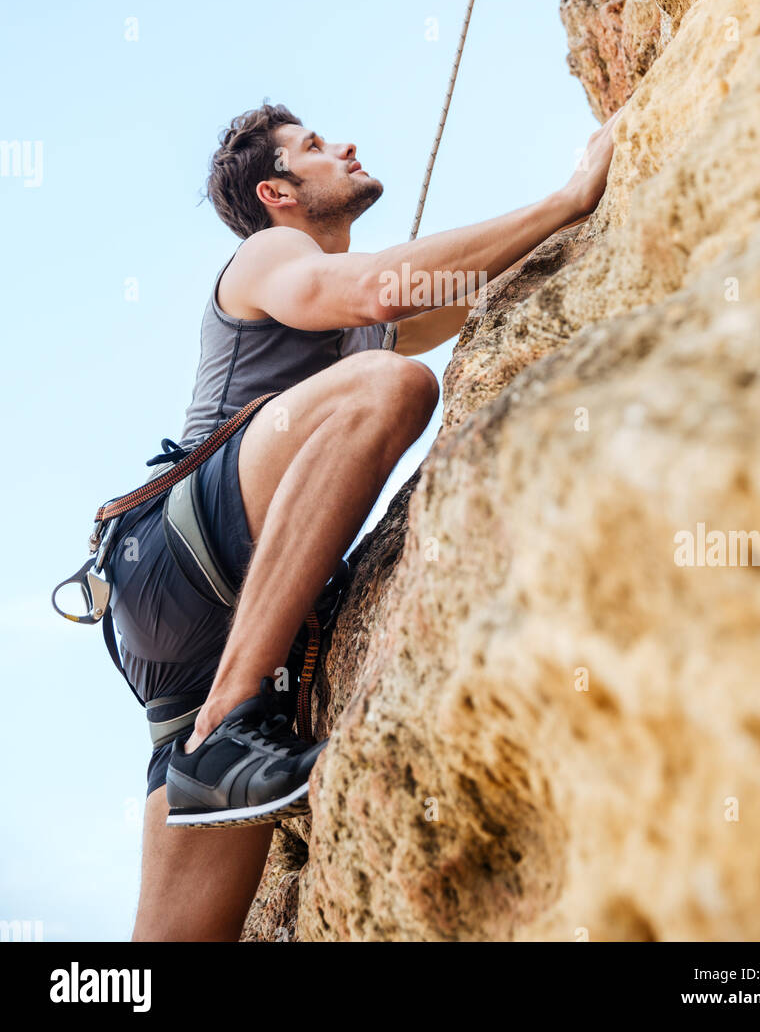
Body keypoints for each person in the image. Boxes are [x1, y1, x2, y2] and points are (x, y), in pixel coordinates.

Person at [112, 101, 620, 940]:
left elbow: (462, 284)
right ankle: (234, 715)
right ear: (276, 191)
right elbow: (378, 286)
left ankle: (219, 737)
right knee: (392, 386)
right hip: (183, 549)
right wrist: (568, 197)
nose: (344, 145)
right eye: (315, 146)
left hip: (195, 640)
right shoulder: (273, 255)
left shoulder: (366, 317)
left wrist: (578, 209)